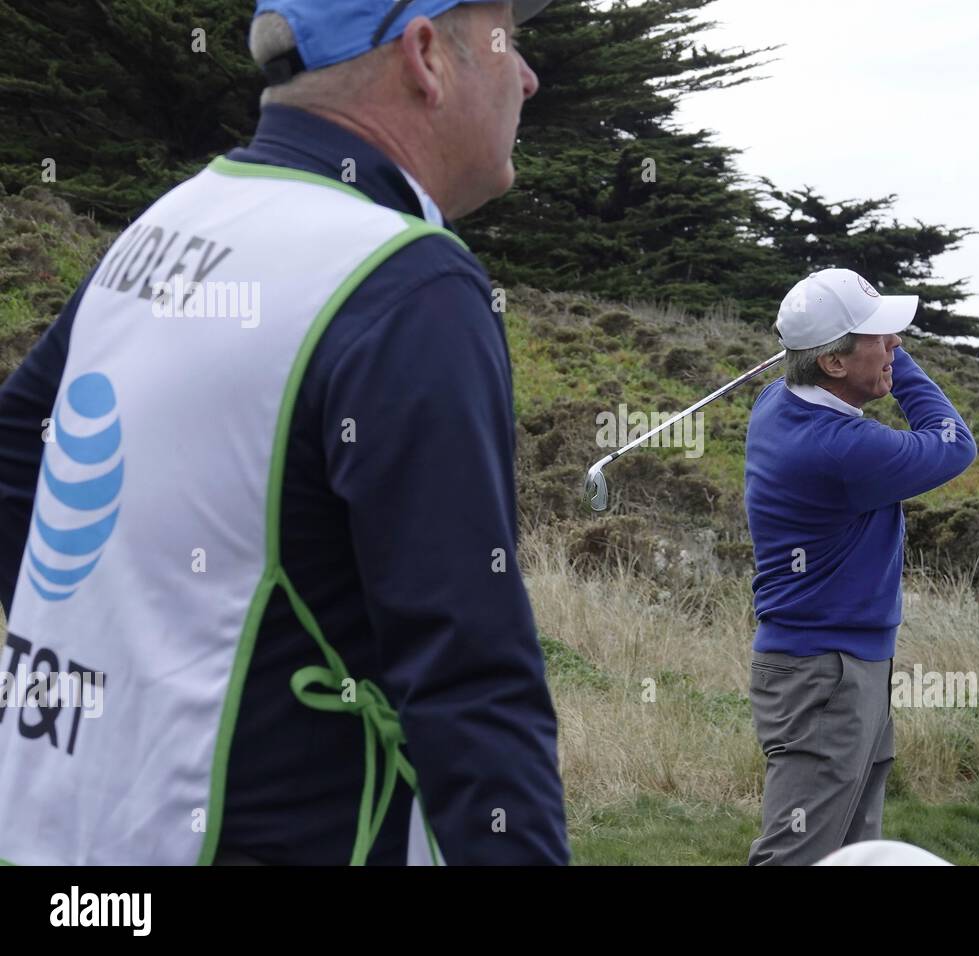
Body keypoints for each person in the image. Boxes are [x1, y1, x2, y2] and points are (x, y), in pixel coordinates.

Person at [0, 0, 568, 865]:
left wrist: (112, 674)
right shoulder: (408, 283)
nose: (526, 77)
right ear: (425, 56)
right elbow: (470, 677)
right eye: (508, 40)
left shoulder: (171, 220)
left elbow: (15, 449)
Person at [743, 268, 977, 865]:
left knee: (854, 857)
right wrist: (899, 369)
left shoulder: (778, 400)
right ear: (833, 365)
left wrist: (879, 351)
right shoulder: (842, 449)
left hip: (849, 665)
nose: (896, 342)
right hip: (825, 675)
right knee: (797, 858)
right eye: (880, 336)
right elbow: (954, 443)